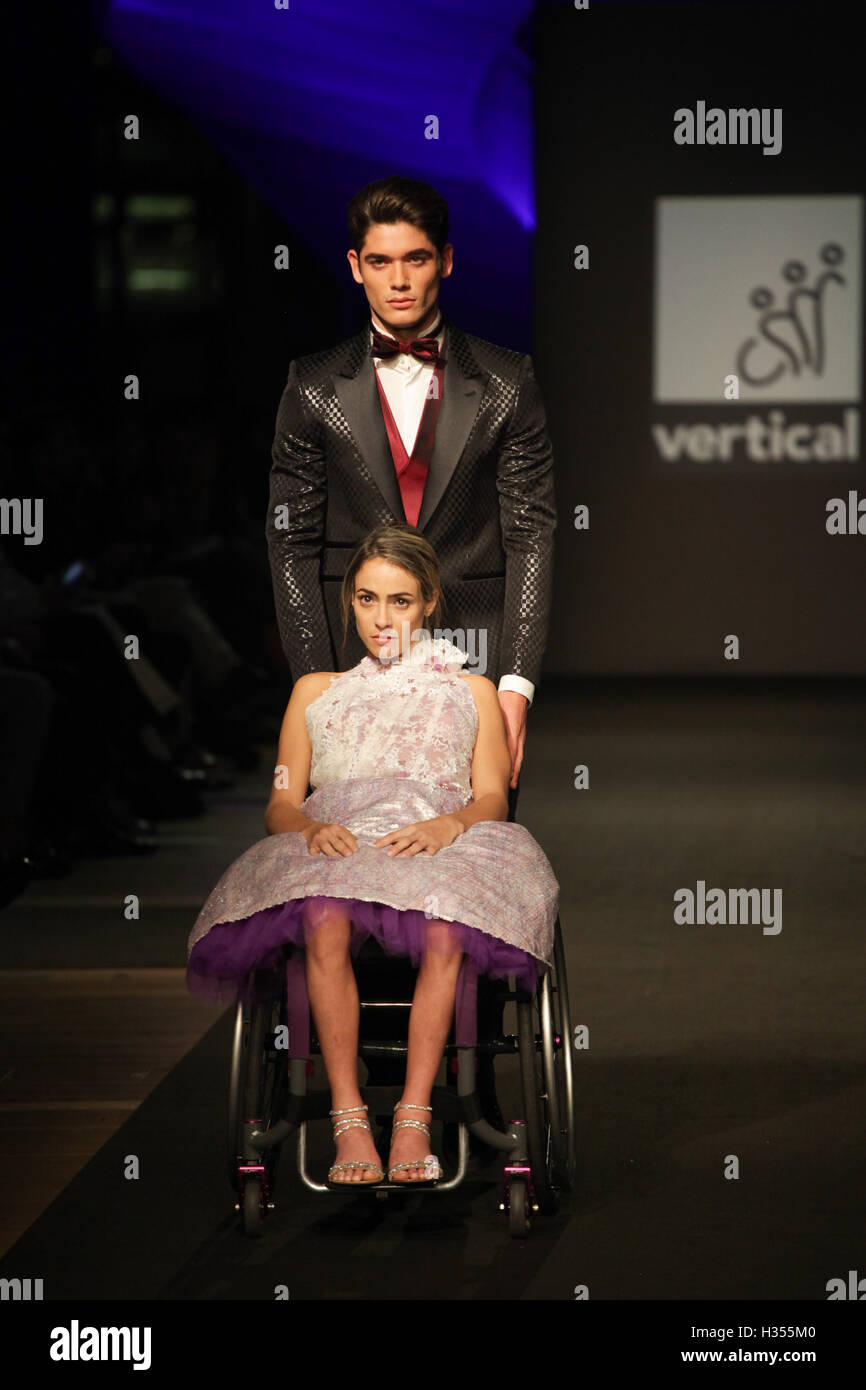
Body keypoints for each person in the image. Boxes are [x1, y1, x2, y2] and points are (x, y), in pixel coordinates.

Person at [186, 525, 559, 1187]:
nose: (382, 618)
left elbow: (492, 796)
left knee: (448, 920)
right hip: (340, 840)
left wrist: (451, 825)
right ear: (349, 603)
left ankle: (414, 1119)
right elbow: (280, 800)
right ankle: (349, 1116)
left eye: (400, 601)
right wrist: (303, 825)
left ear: (430, 601)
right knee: (323, 913)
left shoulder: (472, 692)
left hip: (440, 839)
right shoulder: (314, 691)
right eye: (366, 599)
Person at [266, 175, 557, 797]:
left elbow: (531, 533)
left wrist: (514, 686)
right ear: (355, 266)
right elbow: (290, 541)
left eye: (416, 258)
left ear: (445, 261)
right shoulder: (313, 386)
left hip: (471, 644)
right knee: (344, 860)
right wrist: (318, 685)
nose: (398, 280)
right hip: (353, 646)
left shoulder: (507, 381)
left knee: (468, 851)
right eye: (380, 261)